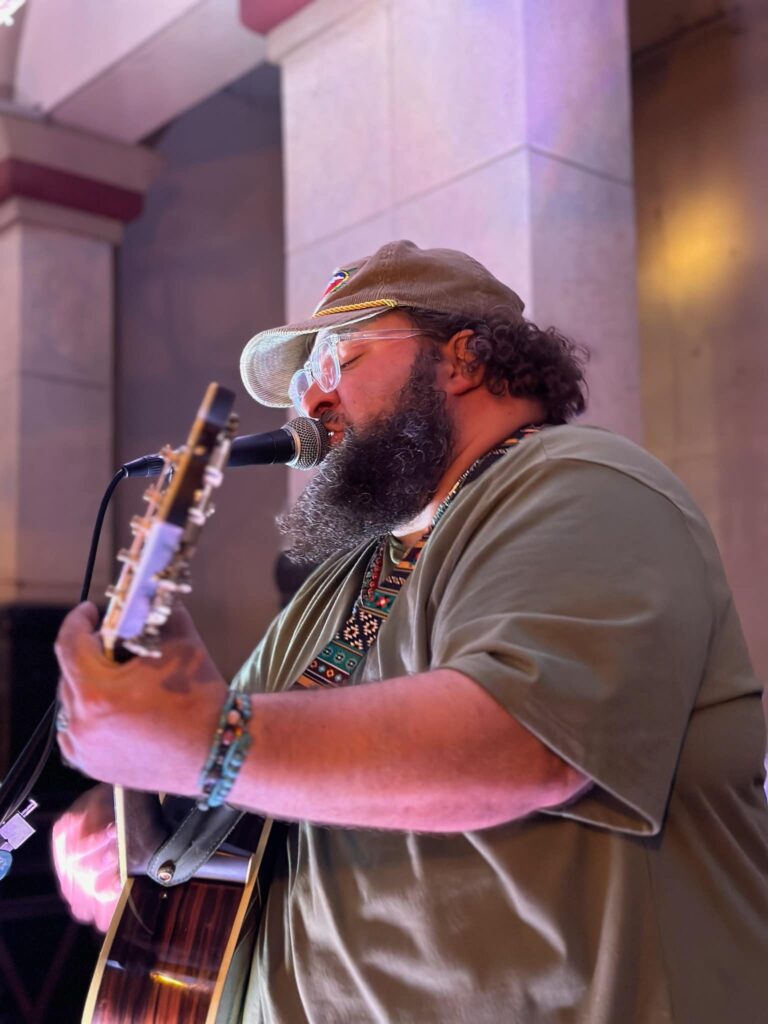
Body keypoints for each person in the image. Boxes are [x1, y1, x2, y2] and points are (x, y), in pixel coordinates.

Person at [53, 241, 768, 1023]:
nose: (312, 406)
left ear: (462, 359)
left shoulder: (585, 482)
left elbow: (516, 745)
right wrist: (124, 797)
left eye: (341, 360)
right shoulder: (347, 578)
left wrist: (203, 745)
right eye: (303, 384)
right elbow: (240, 759)